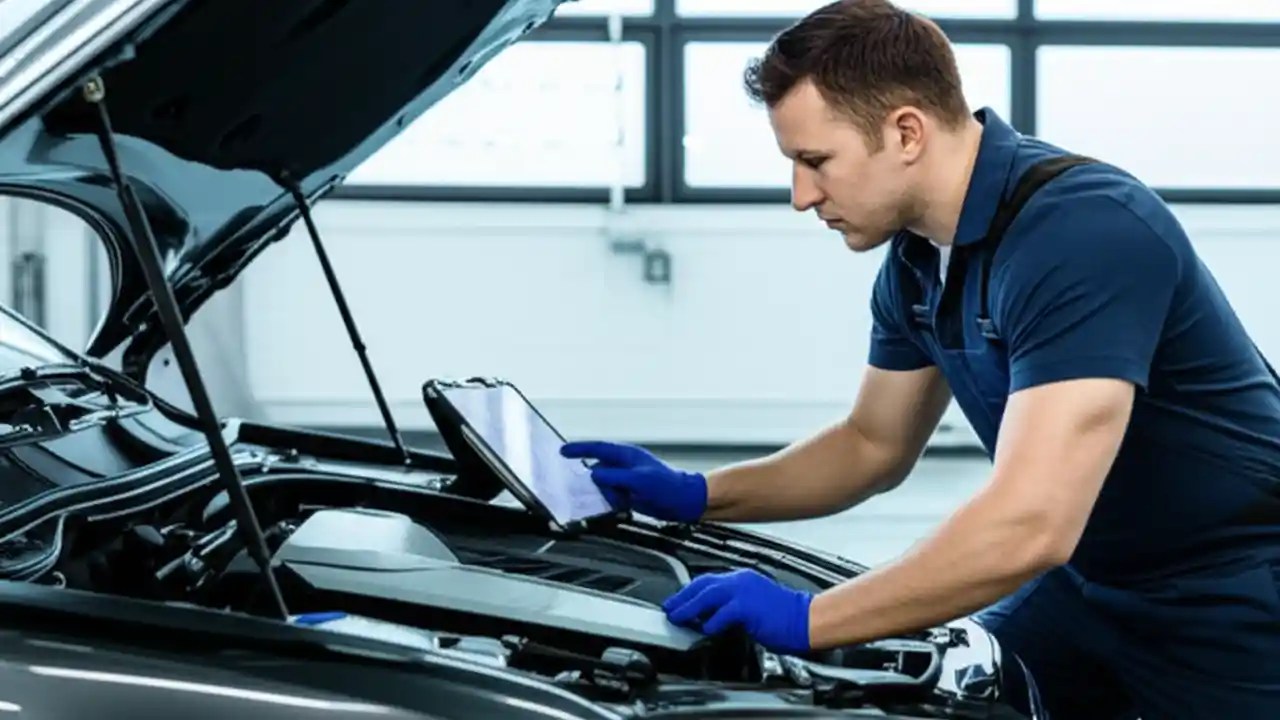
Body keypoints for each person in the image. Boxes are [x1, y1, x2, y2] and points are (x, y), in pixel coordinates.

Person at [559, 1, 1280, 718]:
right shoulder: (915, 261)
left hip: (1231, 595)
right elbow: (872, 444)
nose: (802, 196)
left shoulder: (1084, 232)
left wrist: (810, 619)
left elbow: (1030, 522)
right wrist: (694, 494)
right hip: (1087, 581)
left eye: (815, 162)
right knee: (935, 706)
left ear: (906, 131)